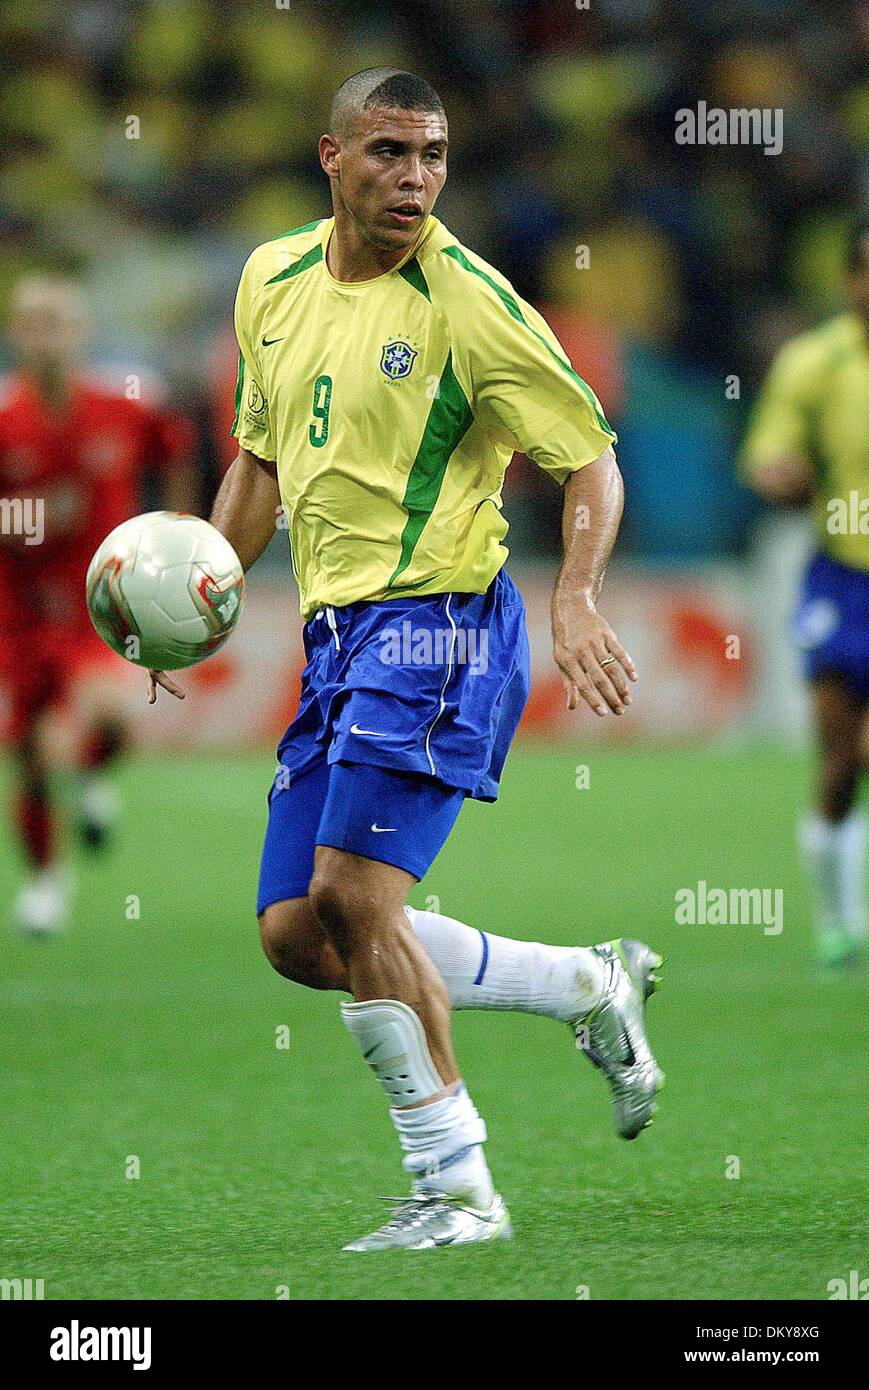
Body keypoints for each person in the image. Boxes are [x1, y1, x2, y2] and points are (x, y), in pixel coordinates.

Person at [149, 69, 663, 1251]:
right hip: (338, 636)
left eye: (432, 154)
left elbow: (589, 460)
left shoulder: (470, 300)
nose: (415, 178)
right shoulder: (268, 280)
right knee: (296, 932)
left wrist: (575, 597)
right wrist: (203, 600)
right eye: (388, 152)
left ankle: (457, 1187)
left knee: (352, 899)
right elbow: (260, 460)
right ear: (330, 156)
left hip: (436, 624)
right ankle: (585, 983)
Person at [0, 275, 193, 935]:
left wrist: (178, 535)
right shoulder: (5, 420)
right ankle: (46, 883)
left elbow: (176, 452)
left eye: (56, 321)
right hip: (20, 611)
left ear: (80, 331)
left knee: (110, 719)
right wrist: (29, 517)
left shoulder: (124, 404)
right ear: (15, 334)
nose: (44, 335)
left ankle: (89, 777)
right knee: (30, 751)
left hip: (102, 601)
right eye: (31, 322)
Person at [742, 219, 868, 967]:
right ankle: (835, 920)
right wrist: (777, 473)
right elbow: (769, 447)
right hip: (839, 577)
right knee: (837, 759)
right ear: (849, 281)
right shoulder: (814, 362)